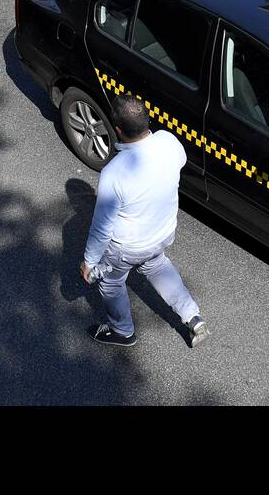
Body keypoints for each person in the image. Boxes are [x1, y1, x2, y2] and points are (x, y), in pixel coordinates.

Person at [80, 94, 209, 348]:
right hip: (162, 233)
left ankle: (122, 331)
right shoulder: (169, 141)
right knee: (158, 266)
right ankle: (192, 317)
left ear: (117, 129)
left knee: (111, 282)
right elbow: (179, 163)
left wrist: (89, 261)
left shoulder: (114, 173)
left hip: (127, 247)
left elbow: (102, 228)